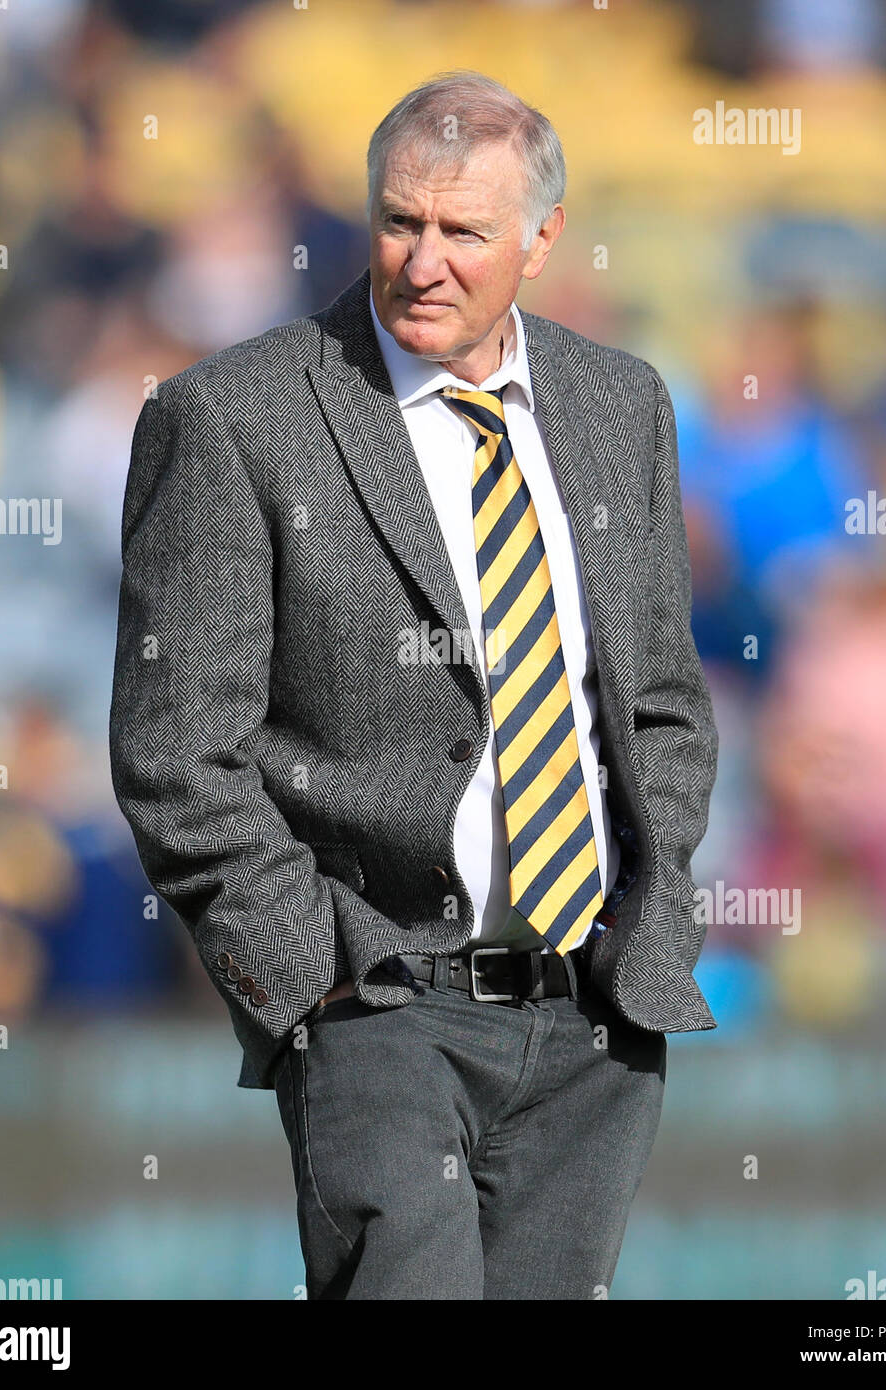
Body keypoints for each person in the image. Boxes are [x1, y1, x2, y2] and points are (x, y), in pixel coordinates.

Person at [109, 69, 718, 1300]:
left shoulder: (621, 406)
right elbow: (176, 752)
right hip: (377, 1001)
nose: (423, 261)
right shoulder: (231, 417)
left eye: (463, 231)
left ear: (542, 239)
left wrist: (645, 917)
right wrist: (313, 982)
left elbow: (659, 701)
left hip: (591, 1019)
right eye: (399, 221)